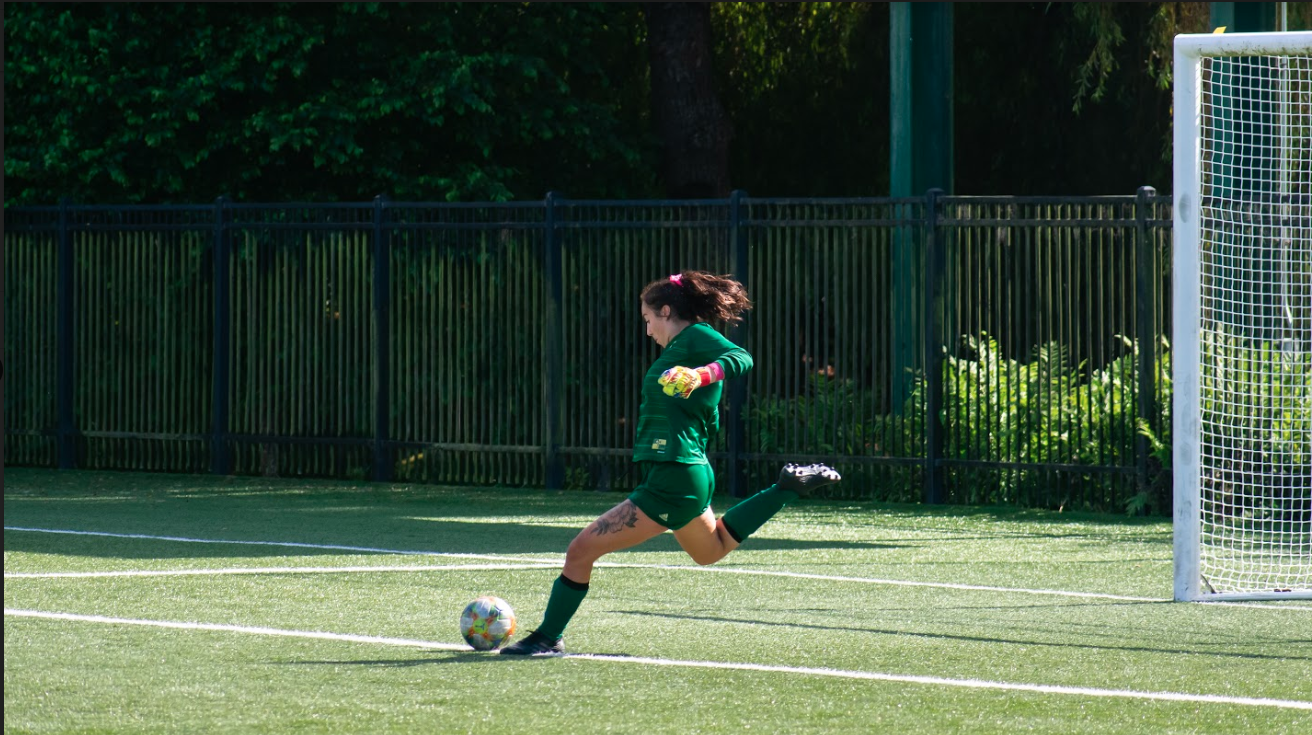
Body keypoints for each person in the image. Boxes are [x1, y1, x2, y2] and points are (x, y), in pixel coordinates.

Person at [500, 270, 841, 656]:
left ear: (665, 311)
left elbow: (741, 357)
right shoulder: (678, 351)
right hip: (686, 472)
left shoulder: (694, 337)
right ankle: (785, 488)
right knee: (711, 550)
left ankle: (548, 637)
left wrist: (700, 375)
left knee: (580, 551)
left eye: (648, 320)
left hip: (674, 474)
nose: (647, 331)